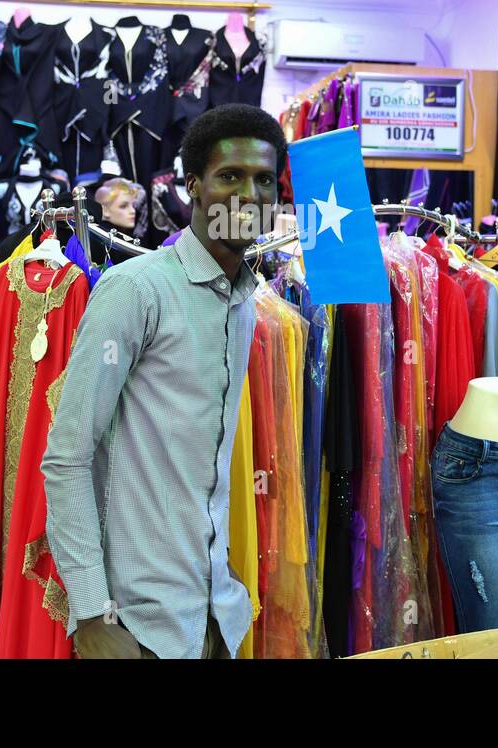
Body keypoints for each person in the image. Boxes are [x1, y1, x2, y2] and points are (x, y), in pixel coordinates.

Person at [41, 103, 287, 659]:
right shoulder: (136, 290)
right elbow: (68, 456)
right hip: (137, 626)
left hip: (216, 615)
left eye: (264, 180)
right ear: (194, 187)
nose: (250, 195)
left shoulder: (245, 302)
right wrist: (90, 615)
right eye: (231, 176)